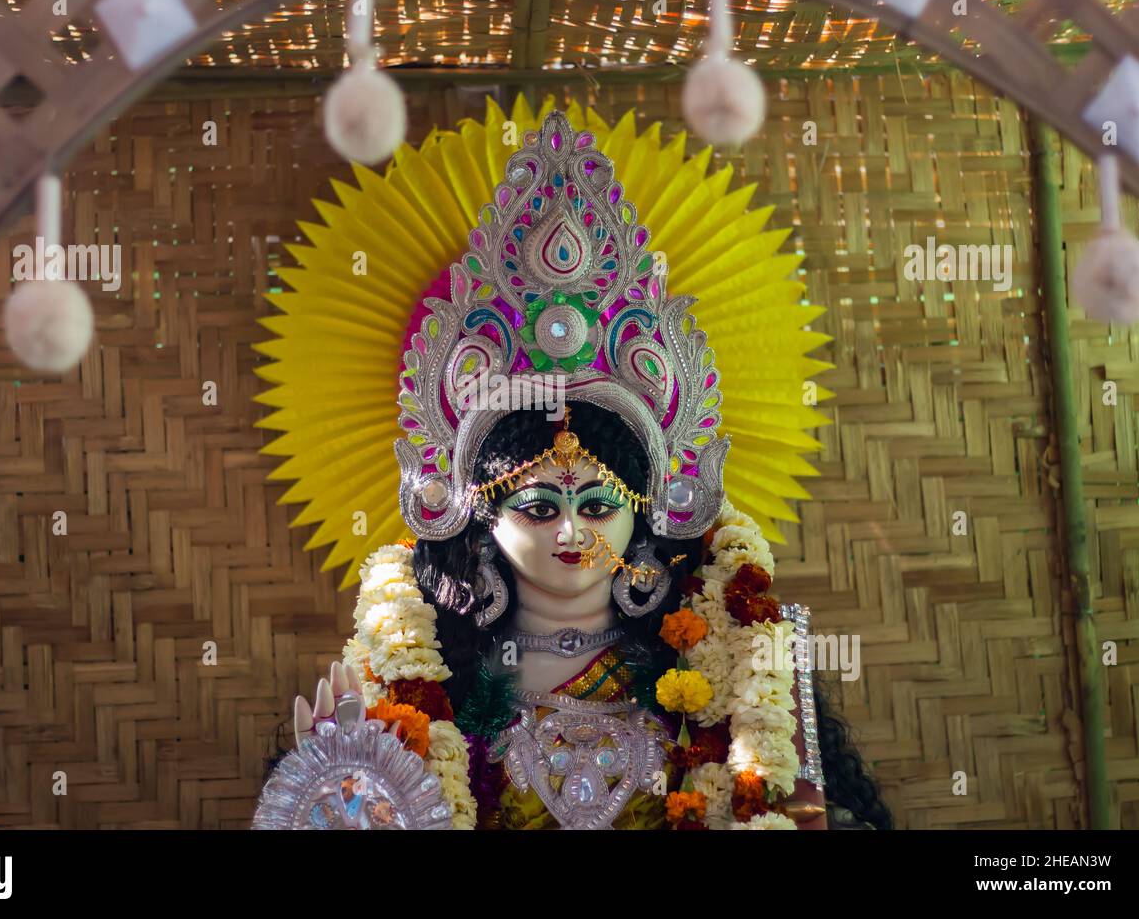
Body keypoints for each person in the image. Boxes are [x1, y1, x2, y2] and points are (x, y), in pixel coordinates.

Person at [255, 112, 889, 830]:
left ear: (643, 511)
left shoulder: (719, 661)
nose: (571, 529)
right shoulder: (431, 675)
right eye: (536, 506)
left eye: (597, 504)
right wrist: (337, 786)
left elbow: (784, 807)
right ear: (479, 517)